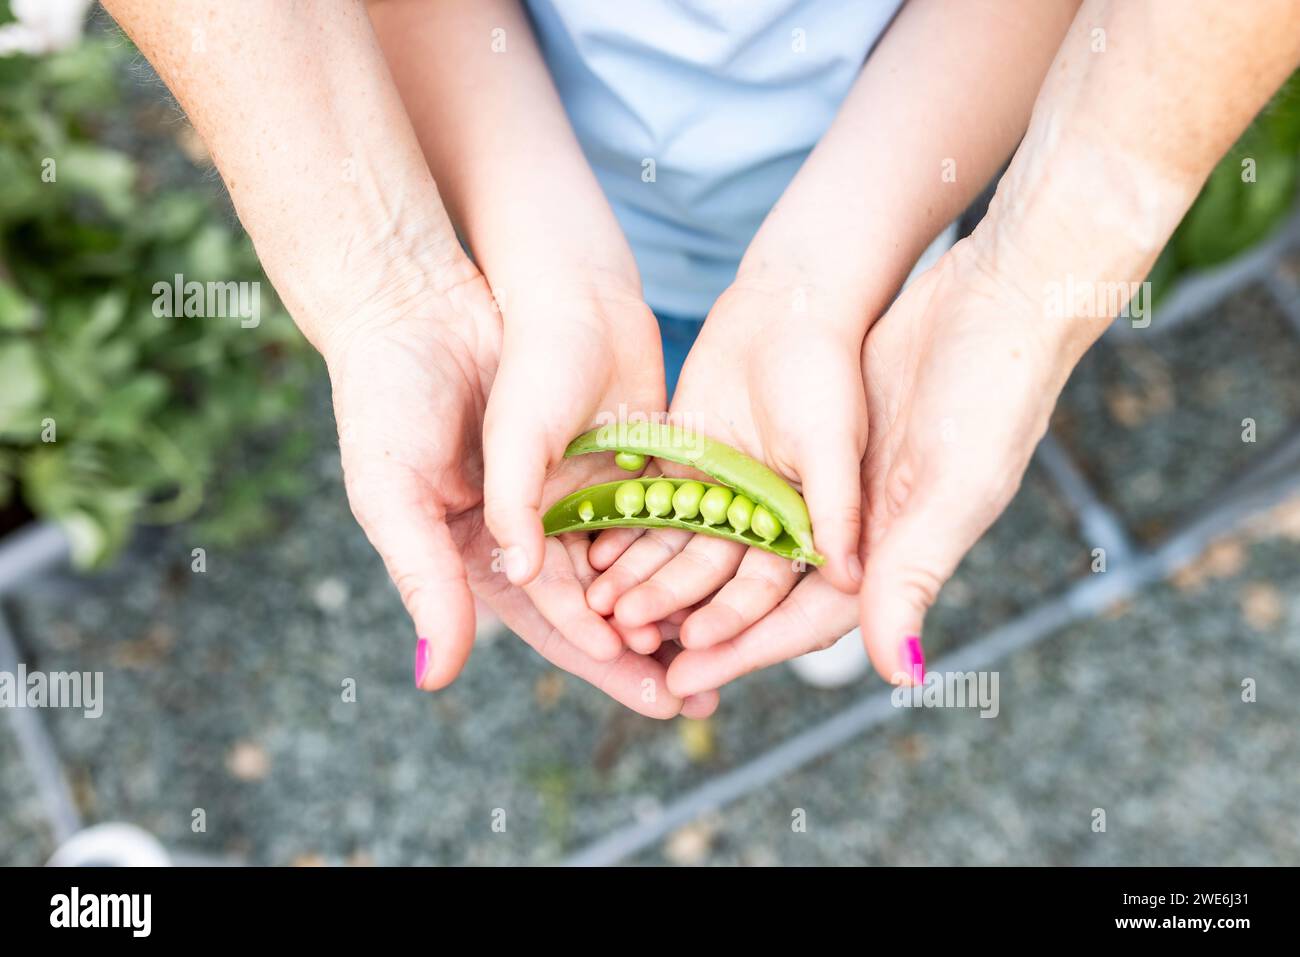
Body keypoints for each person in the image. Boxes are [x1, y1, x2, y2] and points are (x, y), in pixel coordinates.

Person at [103, 0, 1300, 713]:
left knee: (832, 402)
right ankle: (771, 551)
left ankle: (787, 549)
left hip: (888, 170)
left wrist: (944, 284)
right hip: (523, 171)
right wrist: (394, 279)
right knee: (606, 392)